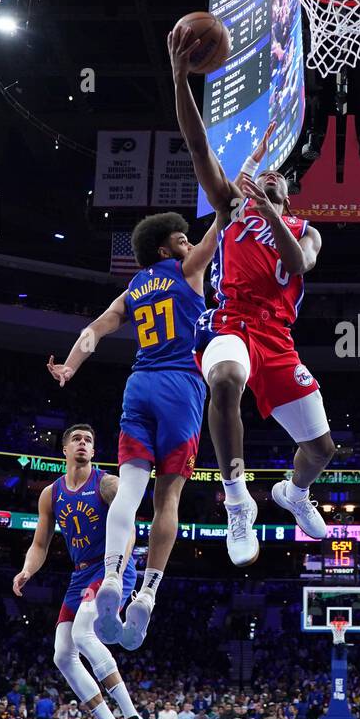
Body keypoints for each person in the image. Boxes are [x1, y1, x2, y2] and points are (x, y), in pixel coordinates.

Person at [170, 23, 336, 565]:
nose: (268, 180)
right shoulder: (231, 208)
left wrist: (270, 213)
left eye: (278, 181)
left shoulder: (306, 228)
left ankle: (294, 493)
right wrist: (179, 79)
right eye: (262, 177)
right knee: (223, 380)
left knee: (321, 450)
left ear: (288, 193)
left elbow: (298, 261)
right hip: (230, 321)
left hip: (278, 336)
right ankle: (238, 500)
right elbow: (197, 144)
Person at [46, 149, 226, 647]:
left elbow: (92, 331)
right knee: (168, 496)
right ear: (164, 246)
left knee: (129, 492)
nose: (188, 238)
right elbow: (225, 218)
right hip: (181, 387)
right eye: (180, 235)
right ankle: (145, 593)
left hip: (139, 384)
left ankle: (109, 579)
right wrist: (238, 183)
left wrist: (69, 367)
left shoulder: (132, 289)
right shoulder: (188, 267)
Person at [13, 425, 153, 719]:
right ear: (64, 449)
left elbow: (127, 528)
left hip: (109, 569)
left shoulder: (106, 484)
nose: (83, 444)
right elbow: (40, 543)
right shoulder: (51, 494)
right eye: (76, 439)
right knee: (62, 655)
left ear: (93, 451)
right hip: (79, 577)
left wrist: (116, 572)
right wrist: (27, 570)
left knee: (82, 633)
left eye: (89, 440)